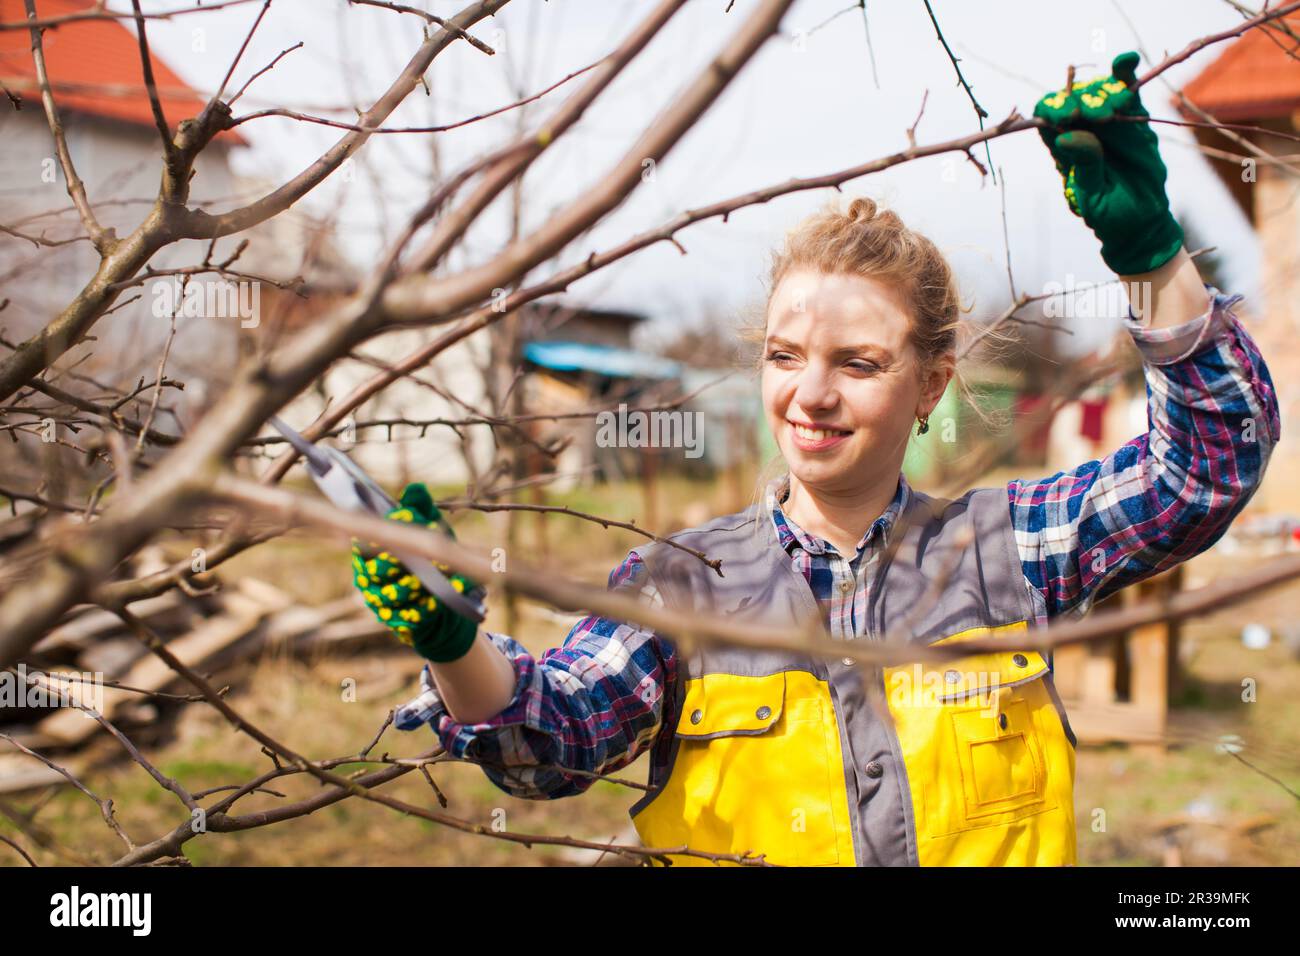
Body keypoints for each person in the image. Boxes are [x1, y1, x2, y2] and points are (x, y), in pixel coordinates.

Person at [351, 53, 1279, 866]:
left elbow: (1201, 469)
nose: (812, 394)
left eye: (859, 363)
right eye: (786, 357)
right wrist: (452, 641)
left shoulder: (1010, 553)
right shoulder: (683, 587)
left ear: (931, 386)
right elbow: (553, 739)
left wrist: (1154, 258)